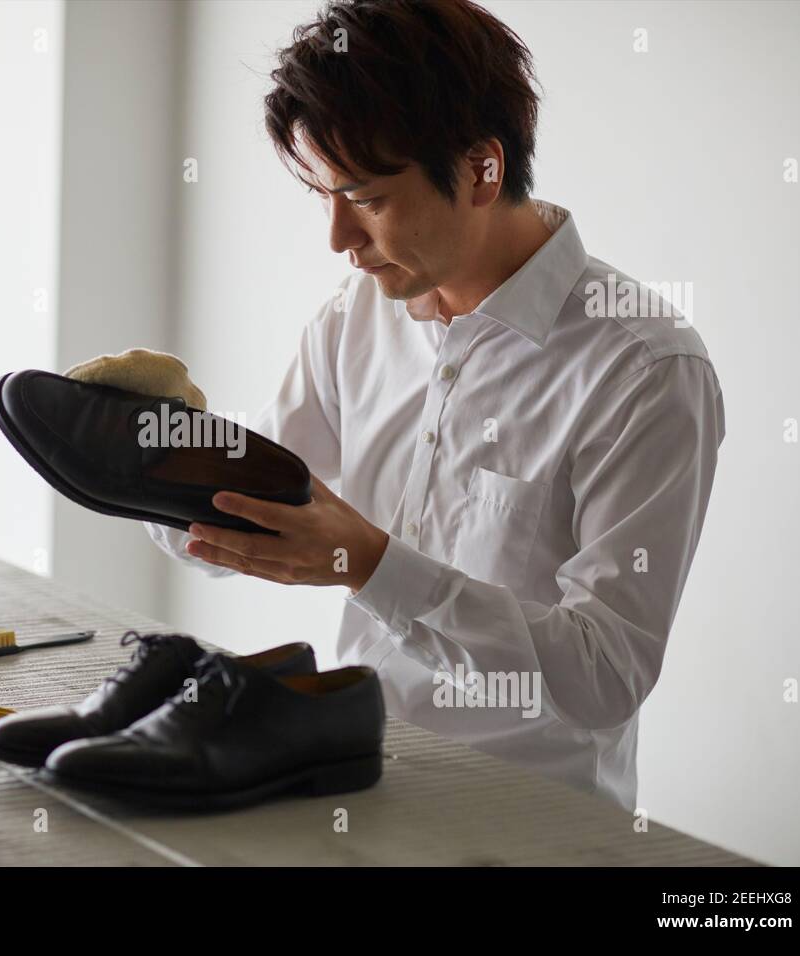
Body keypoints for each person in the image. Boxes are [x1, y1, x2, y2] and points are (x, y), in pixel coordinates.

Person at [145, 0, 724, 810]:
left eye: (367, 198)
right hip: (350, 786)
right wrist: (139, 454)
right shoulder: (356, 319)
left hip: (533, 833)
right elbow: (248, 514)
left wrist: (375, 566)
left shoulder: (644, 368)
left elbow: (604, 676)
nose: (338, 239)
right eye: (322, 194)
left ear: (484, 169)